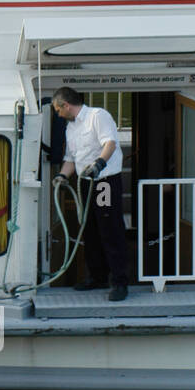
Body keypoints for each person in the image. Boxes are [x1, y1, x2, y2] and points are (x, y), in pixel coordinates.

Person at [52, 87, 129, 301]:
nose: (58, 114)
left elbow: (110, 143)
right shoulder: (71, 128)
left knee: (109, 228)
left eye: (58, 110)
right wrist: (62, 176)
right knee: (90, 229)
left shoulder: (98, 116)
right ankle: (97, 276)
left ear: (66, 105)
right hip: (85, 184)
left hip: (104, 182)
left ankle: (119, 282)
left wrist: (99, 163)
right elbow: (70, 158)